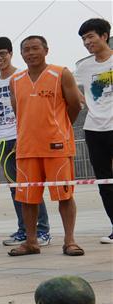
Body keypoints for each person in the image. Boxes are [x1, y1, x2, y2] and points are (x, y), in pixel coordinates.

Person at [8, 35, 84, 256]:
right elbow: (18, 111)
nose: (31, 53)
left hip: (57, 147)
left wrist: (59, 128)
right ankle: (31, 242)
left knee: (65, 195)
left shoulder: (61, 73)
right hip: (26, 149)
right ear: (21, 54)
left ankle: (69, 241)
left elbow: (75, 105)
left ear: (46, 50)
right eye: (26, 50)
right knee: (27, 198)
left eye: (35, 48)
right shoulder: (15, 80)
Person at [0, 37, 52, 248]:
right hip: (3, 139)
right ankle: (24, 230)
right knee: (15, 188)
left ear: (11, 54)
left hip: (23, 137)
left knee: (30, 185)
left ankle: (42, 231)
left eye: (3, 53)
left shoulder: (22, 76)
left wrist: (24, 135)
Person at [75, 18, 113, 244]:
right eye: (83, 39)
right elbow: (68, 84)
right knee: (105, 181)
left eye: (90, 37)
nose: (87, 42)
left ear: (104, 35)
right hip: (94, 129)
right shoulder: (84, 67)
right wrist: (84, 100)